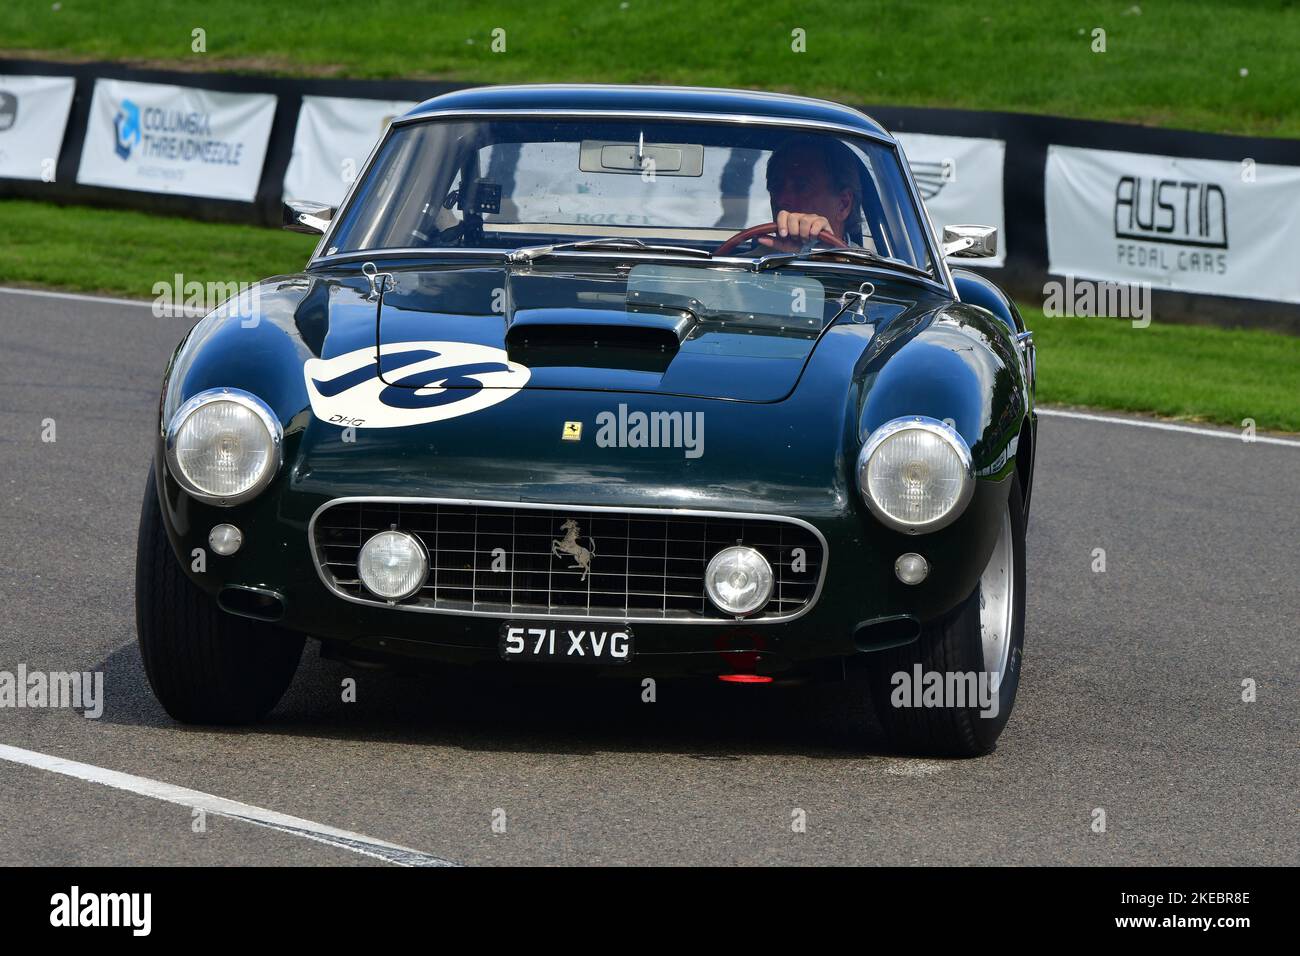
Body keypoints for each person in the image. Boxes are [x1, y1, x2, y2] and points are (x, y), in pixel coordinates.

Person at [757, 135, 865, 252]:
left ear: (843, 204)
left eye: (801, 187)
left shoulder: (867, 268)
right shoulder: (749, 264)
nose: (781, 199)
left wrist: (827, 257)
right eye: (776, 186)